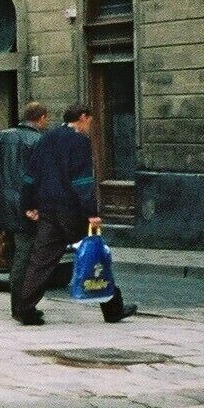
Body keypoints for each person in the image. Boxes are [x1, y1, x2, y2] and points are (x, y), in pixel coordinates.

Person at [16, 104, 135, 326]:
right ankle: (113, 308)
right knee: (96, 255)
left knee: (41, 261)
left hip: (48, 210)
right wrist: (92, 212)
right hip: (72, 211)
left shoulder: (46, 138)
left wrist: (29, 204)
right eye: (90, 121)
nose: (90, 126)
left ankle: (25, 309)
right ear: (82, 118)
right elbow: (82, 180)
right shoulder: (79, 141)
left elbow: (30, 176)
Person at [0, 102, 48, 308]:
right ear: (41, 118)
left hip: (2, 207)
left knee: (15, 254)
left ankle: (21, 303)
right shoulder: (39, 141)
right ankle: (21, 306)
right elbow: (41, 178)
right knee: (24, 257)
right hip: (27, 209)